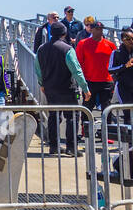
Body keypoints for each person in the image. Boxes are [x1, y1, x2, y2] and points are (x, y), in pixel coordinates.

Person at [34, 21, 91, 154]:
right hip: (68, 88)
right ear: (64, 34)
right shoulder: (67, 49)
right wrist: (85, 88)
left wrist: (42, 84)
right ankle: (71, 148)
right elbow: (76, 70)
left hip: (50, 88)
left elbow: (37, 69)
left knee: (53, 116)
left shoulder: (41, 49)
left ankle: (54, 147)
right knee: (72, 117)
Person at [75, 18, 116, 113]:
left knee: (107, 108)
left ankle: (106, 127)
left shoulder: (110, 45)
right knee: (87, 107)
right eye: (97, 29)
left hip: (107, 81)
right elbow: (78, 62)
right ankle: (85, 127)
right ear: (91, 30)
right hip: (90, 81)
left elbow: (115, 62)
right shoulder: (83, 44)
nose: (100, 31)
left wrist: (114, 78)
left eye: (101, 29)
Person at [108, 30, 133, 106]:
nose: (131, 41)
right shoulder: (116, 53)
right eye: (128, 39)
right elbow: (110, 70)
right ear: (122, 40)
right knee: (127, 112)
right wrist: (125, 66)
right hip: (123, 87)